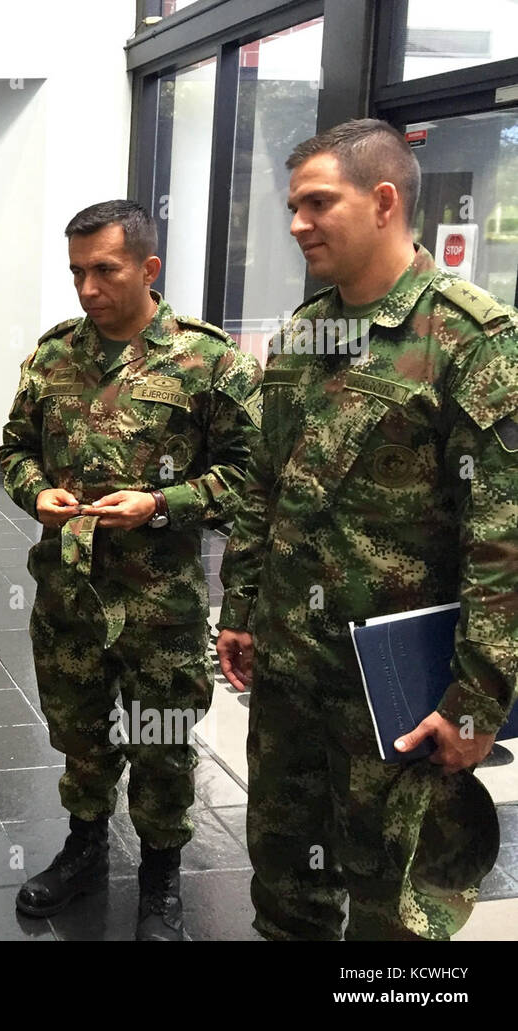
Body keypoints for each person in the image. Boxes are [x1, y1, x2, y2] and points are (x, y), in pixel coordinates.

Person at [216, 118, 518, 941]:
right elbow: (262, 484)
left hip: (396, 696)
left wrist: (478, 698)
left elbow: (503, 539)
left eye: (317, 203)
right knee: (285, 885)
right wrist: (239, 604)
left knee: (394, 915)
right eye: (291, 205)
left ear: (384, 200)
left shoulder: (471, 340)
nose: (295, 224)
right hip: (291, 674)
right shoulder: (304, 333)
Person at [0, 199, 263, 940]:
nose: (87, 288)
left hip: (161, 604)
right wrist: (34, 490)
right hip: (69, 595)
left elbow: (250, 478)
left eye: (104, 271)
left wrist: (160, 502)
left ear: (148, 268)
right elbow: (13, 450)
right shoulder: (53, 358)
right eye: (78, 271)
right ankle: (84, 848)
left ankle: (160, 876)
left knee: (162, 738)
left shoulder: (209, 362)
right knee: (79, 732)